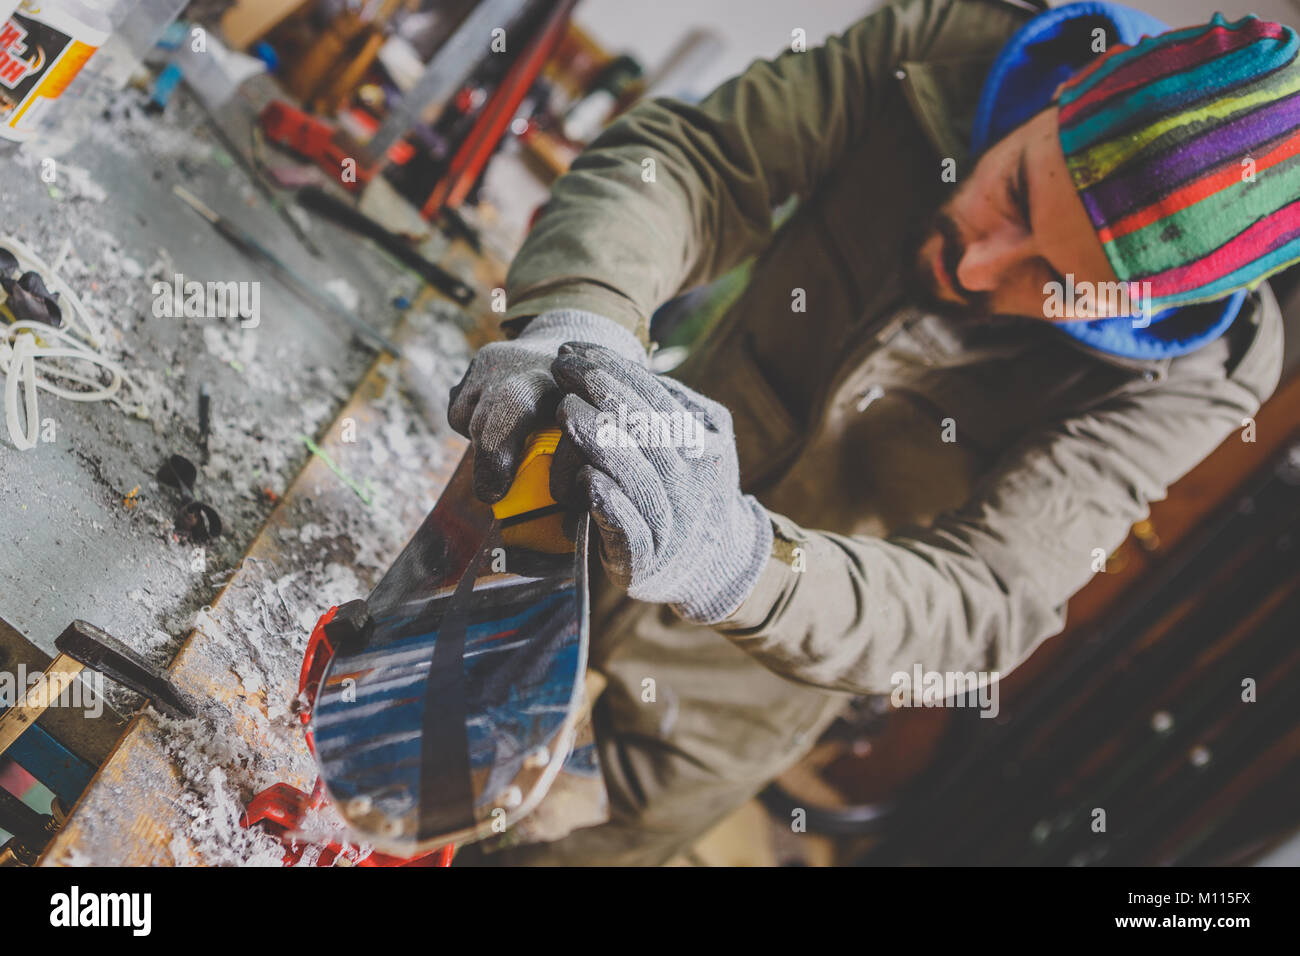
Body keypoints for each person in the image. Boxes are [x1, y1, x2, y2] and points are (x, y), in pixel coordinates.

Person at [447, 0, 1291, 864]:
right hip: (556, 541)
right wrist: (579, 321)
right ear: (1061, 96)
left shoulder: (1203, 375)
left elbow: (985, 597)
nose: (979, 262)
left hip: (710, 710)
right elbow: (696, 162)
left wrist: (734, 563)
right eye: (1016, 194)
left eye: (1057, 283)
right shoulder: (946, 44)